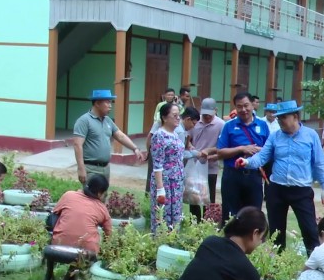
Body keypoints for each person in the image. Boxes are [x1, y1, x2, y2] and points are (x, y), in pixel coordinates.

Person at [237, 100, 324, 254]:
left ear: (295, 116)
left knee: (309, 229)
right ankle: (276, 264)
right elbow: (262, 157)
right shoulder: (275, 136)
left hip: (301, 190)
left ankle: (314, 264)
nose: (279, 121)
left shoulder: (311, 135)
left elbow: (319, 162)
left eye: (283, 117)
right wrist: (246, 162)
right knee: (276, 230)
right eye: (278, 118)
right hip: (277, 189)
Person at [215, 92, 270, 223]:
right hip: (232, 175)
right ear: (235, 107)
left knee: (253, 214)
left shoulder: (262, 125)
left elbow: (269, 150)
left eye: (246, 105)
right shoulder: (229, 126)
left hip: (254, 175)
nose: (243, 110)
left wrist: (257, 150)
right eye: (239, 106)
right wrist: (241, 149)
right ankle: (230, 241)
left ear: (253, 105)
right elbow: (220, 152)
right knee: (230, 214)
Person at [73, 89, 145, 185]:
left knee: (103, 197)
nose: (110, 105)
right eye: (107, 102)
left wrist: (135, 148)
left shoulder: (107, 120)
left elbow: (120, 136)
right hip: (91, 168)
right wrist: (81, 168)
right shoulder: (84, 121)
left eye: (111, 102)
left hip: (105, 168)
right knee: (91, 198)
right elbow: (77, 145)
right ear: (98, 103)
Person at [51, 174, 112, 253]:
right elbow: (109, 235)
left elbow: (53, 216)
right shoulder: (102, 208)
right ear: (100, 193)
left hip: (58, 246)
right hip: (86, 253)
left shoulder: (68, 195)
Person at [151, 103, 186, 233]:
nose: (178, 118)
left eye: (179, 116)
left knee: (175, 215)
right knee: (162, 215)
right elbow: (157, 163)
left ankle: (172, 242)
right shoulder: (159, 135)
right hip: (165, 182)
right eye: (175, 115)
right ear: (165, 118)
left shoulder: (175, 134)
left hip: (176, 182)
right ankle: (160, 243)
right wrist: (160, 189)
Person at [189, 98, 224, 221]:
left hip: (211, 167)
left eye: (209, 115)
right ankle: (194, 221)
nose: (207, 117)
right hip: (194, 165)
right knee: (193, 196)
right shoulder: (195, 122)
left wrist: (210, 153)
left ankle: (208, 221)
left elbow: (222, 146)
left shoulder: (221, 124)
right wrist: (192, 149)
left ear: (216, 111)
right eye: (204, 114)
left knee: (208, 197)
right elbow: (188, 140)